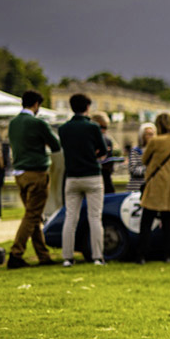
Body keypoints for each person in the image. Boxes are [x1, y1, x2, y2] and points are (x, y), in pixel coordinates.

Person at [7, 90, 61, 269]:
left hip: (19, 174)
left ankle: (43, 255)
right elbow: (55, 145)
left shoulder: (13, 123)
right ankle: (16, 253)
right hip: (36, 172)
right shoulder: (37, 123)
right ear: (36, 104)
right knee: (32, 216)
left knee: (34, 216)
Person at [58, 94, 108, 266]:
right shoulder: (92, 127)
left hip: (72, 176)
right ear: (87, 107)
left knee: (70, 218)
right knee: (95, 217)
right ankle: (97, 256)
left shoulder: (63, 129)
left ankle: (67, 257)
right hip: (92, 175)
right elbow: (103, 150)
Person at [137, 112, 170, 264]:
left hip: (156, 183)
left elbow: (144, 160)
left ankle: (142, 255)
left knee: (146, 221)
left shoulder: (156, 141)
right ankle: (168, 255)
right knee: (169, 223)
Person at [91, 112, 116, 193]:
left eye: (105, 127)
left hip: (105, 176)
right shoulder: (88, 140)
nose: (103, 130)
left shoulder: (108, 140)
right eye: (101, 127)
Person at [126, 122, 155, 192]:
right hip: (137, 186)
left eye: (152, 134)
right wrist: (150, 169)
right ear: (142, 136)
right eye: (148, 134)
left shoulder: (157, 151)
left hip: (152, 186)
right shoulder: (135, 151)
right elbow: (133, 169)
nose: (150, 137)